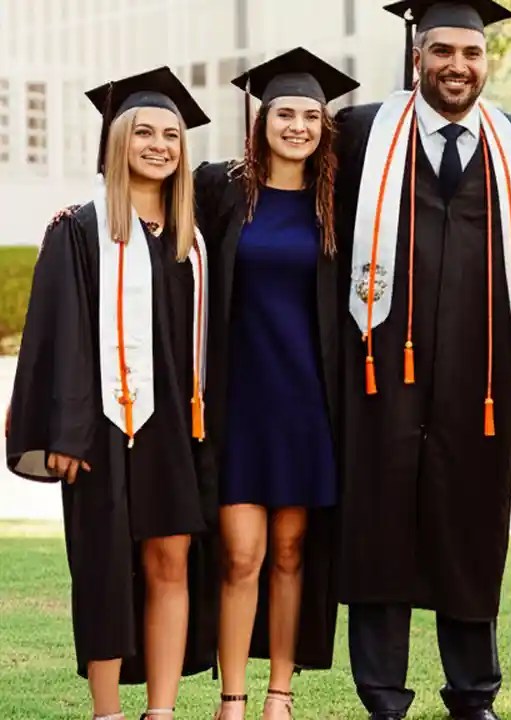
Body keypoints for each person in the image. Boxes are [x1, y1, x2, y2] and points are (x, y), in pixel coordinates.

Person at [332, 1, 511, 718]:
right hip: (377, 362)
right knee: (377, 517)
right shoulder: (361, 132)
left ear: (486, 60)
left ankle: (473, 694)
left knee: (470, 519)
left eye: (471, 52)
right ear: (417, 57)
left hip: (481, 371)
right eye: (443, 52)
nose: (458, 66)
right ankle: (382, 695)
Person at [5, 67, 217, 720]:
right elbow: (56, 333)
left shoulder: (193, 242)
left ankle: (161, 711)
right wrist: (66, 435)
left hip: (174, 433)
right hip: (100, 430)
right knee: (100, 570)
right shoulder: (80, 229)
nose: (159, 144)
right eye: (145, 132)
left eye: (172, 135)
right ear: (118, 141)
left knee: (170, 565)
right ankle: (107, 713)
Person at [194, 48, 359, 720]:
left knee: (291, 553)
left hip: (307, 403)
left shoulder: (339, 202)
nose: (297, 125)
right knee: (241, 554)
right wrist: (77, 221)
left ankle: (279, 694)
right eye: (284, 113)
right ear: (262, 122)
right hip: (240, 402)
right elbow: (155, 218)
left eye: (310, 116)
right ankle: (232, 697)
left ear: (324, 125)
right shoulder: (220, 189)